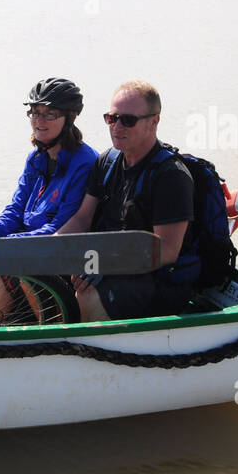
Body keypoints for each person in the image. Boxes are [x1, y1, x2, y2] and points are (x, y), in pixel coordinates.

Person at [55, 79, 197, 322]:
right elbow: (82, 218)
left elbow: (166, 251)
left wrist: (98, 264)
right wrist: (50, 248)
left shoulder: (171, 176)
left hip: (157, 277)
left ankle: (88, 354)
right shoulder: (107, 161)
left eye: (128, 120)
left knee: (87, 296)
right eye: (111, 118)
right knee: (40, 275)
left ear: (154, 121)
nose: (117, 127)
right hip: (107, 262)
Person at [0, 77, 99, 320]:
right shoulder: (36, 158)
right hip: (26, 248)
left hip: (61, 256)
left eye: (50, 114)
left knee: (3, 269)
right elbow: (16, 209)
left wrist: (10, 242)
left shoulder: (85, 163)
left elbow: (61, 227)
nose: (39, 121)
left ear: (69, 118)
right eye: (35, 112)